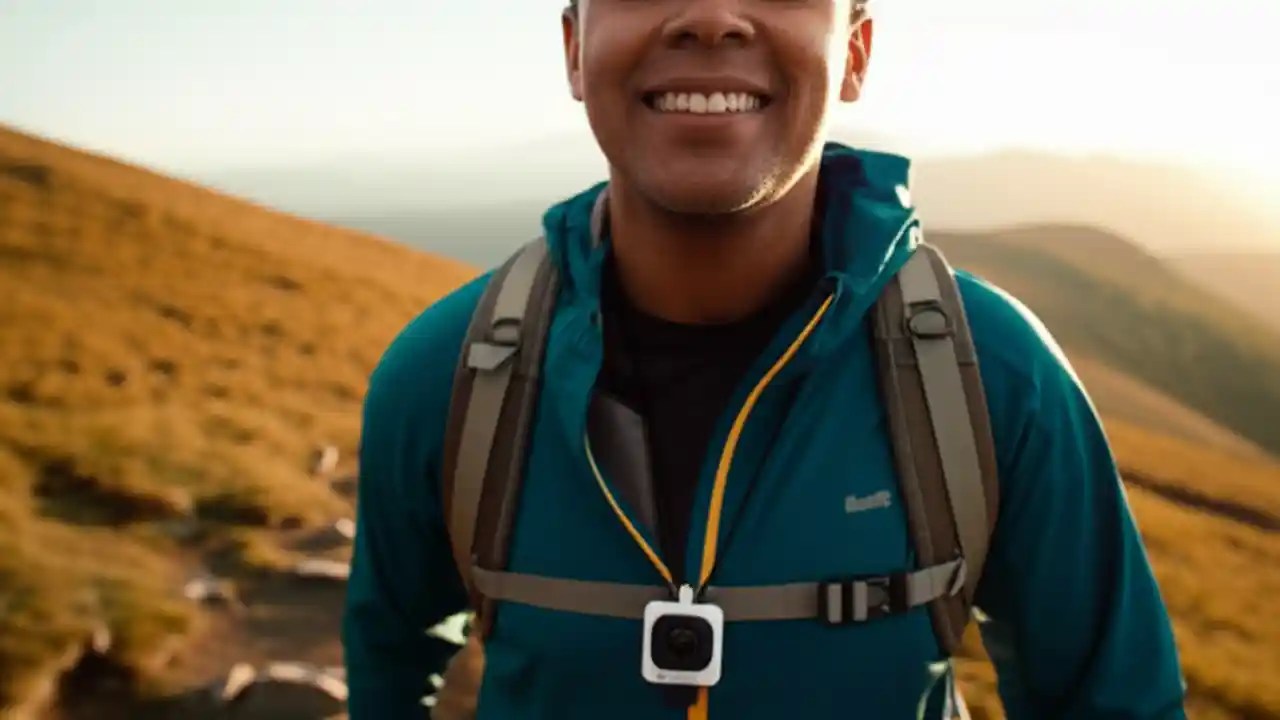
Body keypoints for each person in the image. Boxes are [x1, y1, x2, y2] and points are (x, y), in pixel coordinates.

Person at [342, 0, 1188, 717]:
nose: (711, 16)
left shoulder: (992, 375)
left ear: (853, 52)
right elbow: (388, 666)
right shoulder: (448, 374)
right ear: (574, 48)